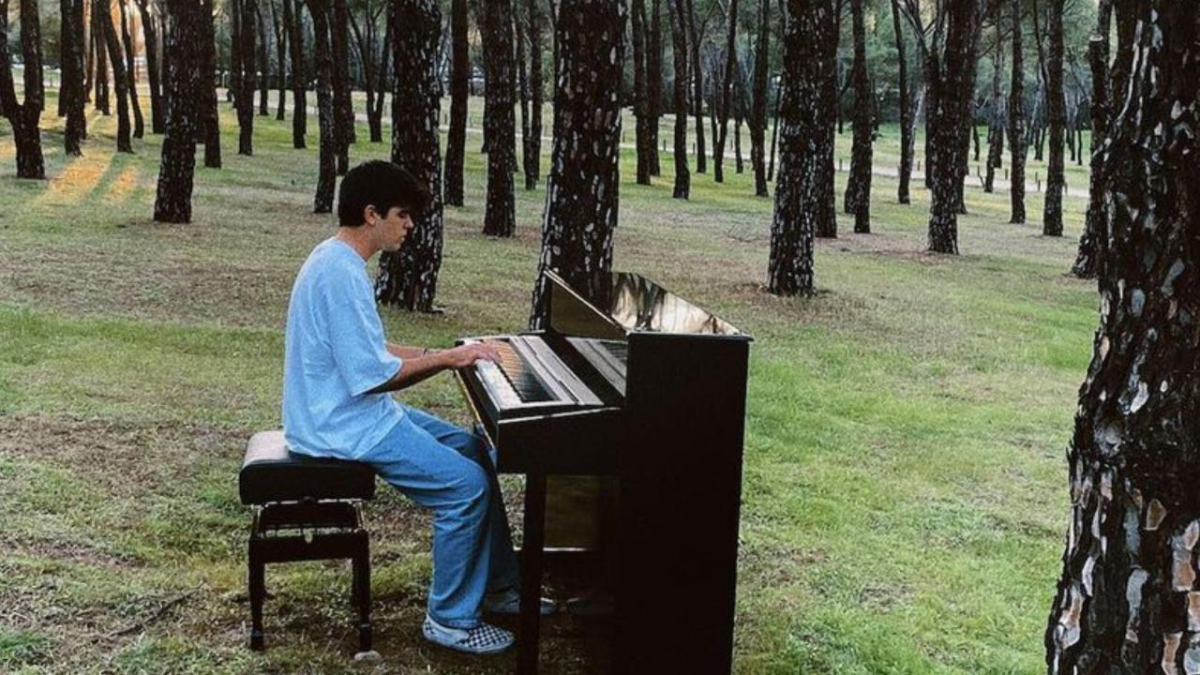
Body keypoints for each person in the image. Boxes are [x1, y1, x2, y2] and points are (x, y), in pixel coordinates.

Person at [281, 160, 545, 656]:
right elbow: (374, 375)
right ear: (372, 214)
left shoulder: (336, 260)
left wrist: (444, 352)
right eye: (403, 215)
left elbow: (369, 351)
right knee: (464, 489)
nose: (410, 226)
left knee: (473, 450)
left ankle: (500, 587)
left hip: (355, 413)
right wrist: (448, 360)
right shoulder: (340, 275)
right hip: (343, 426)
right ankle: (448, 620)